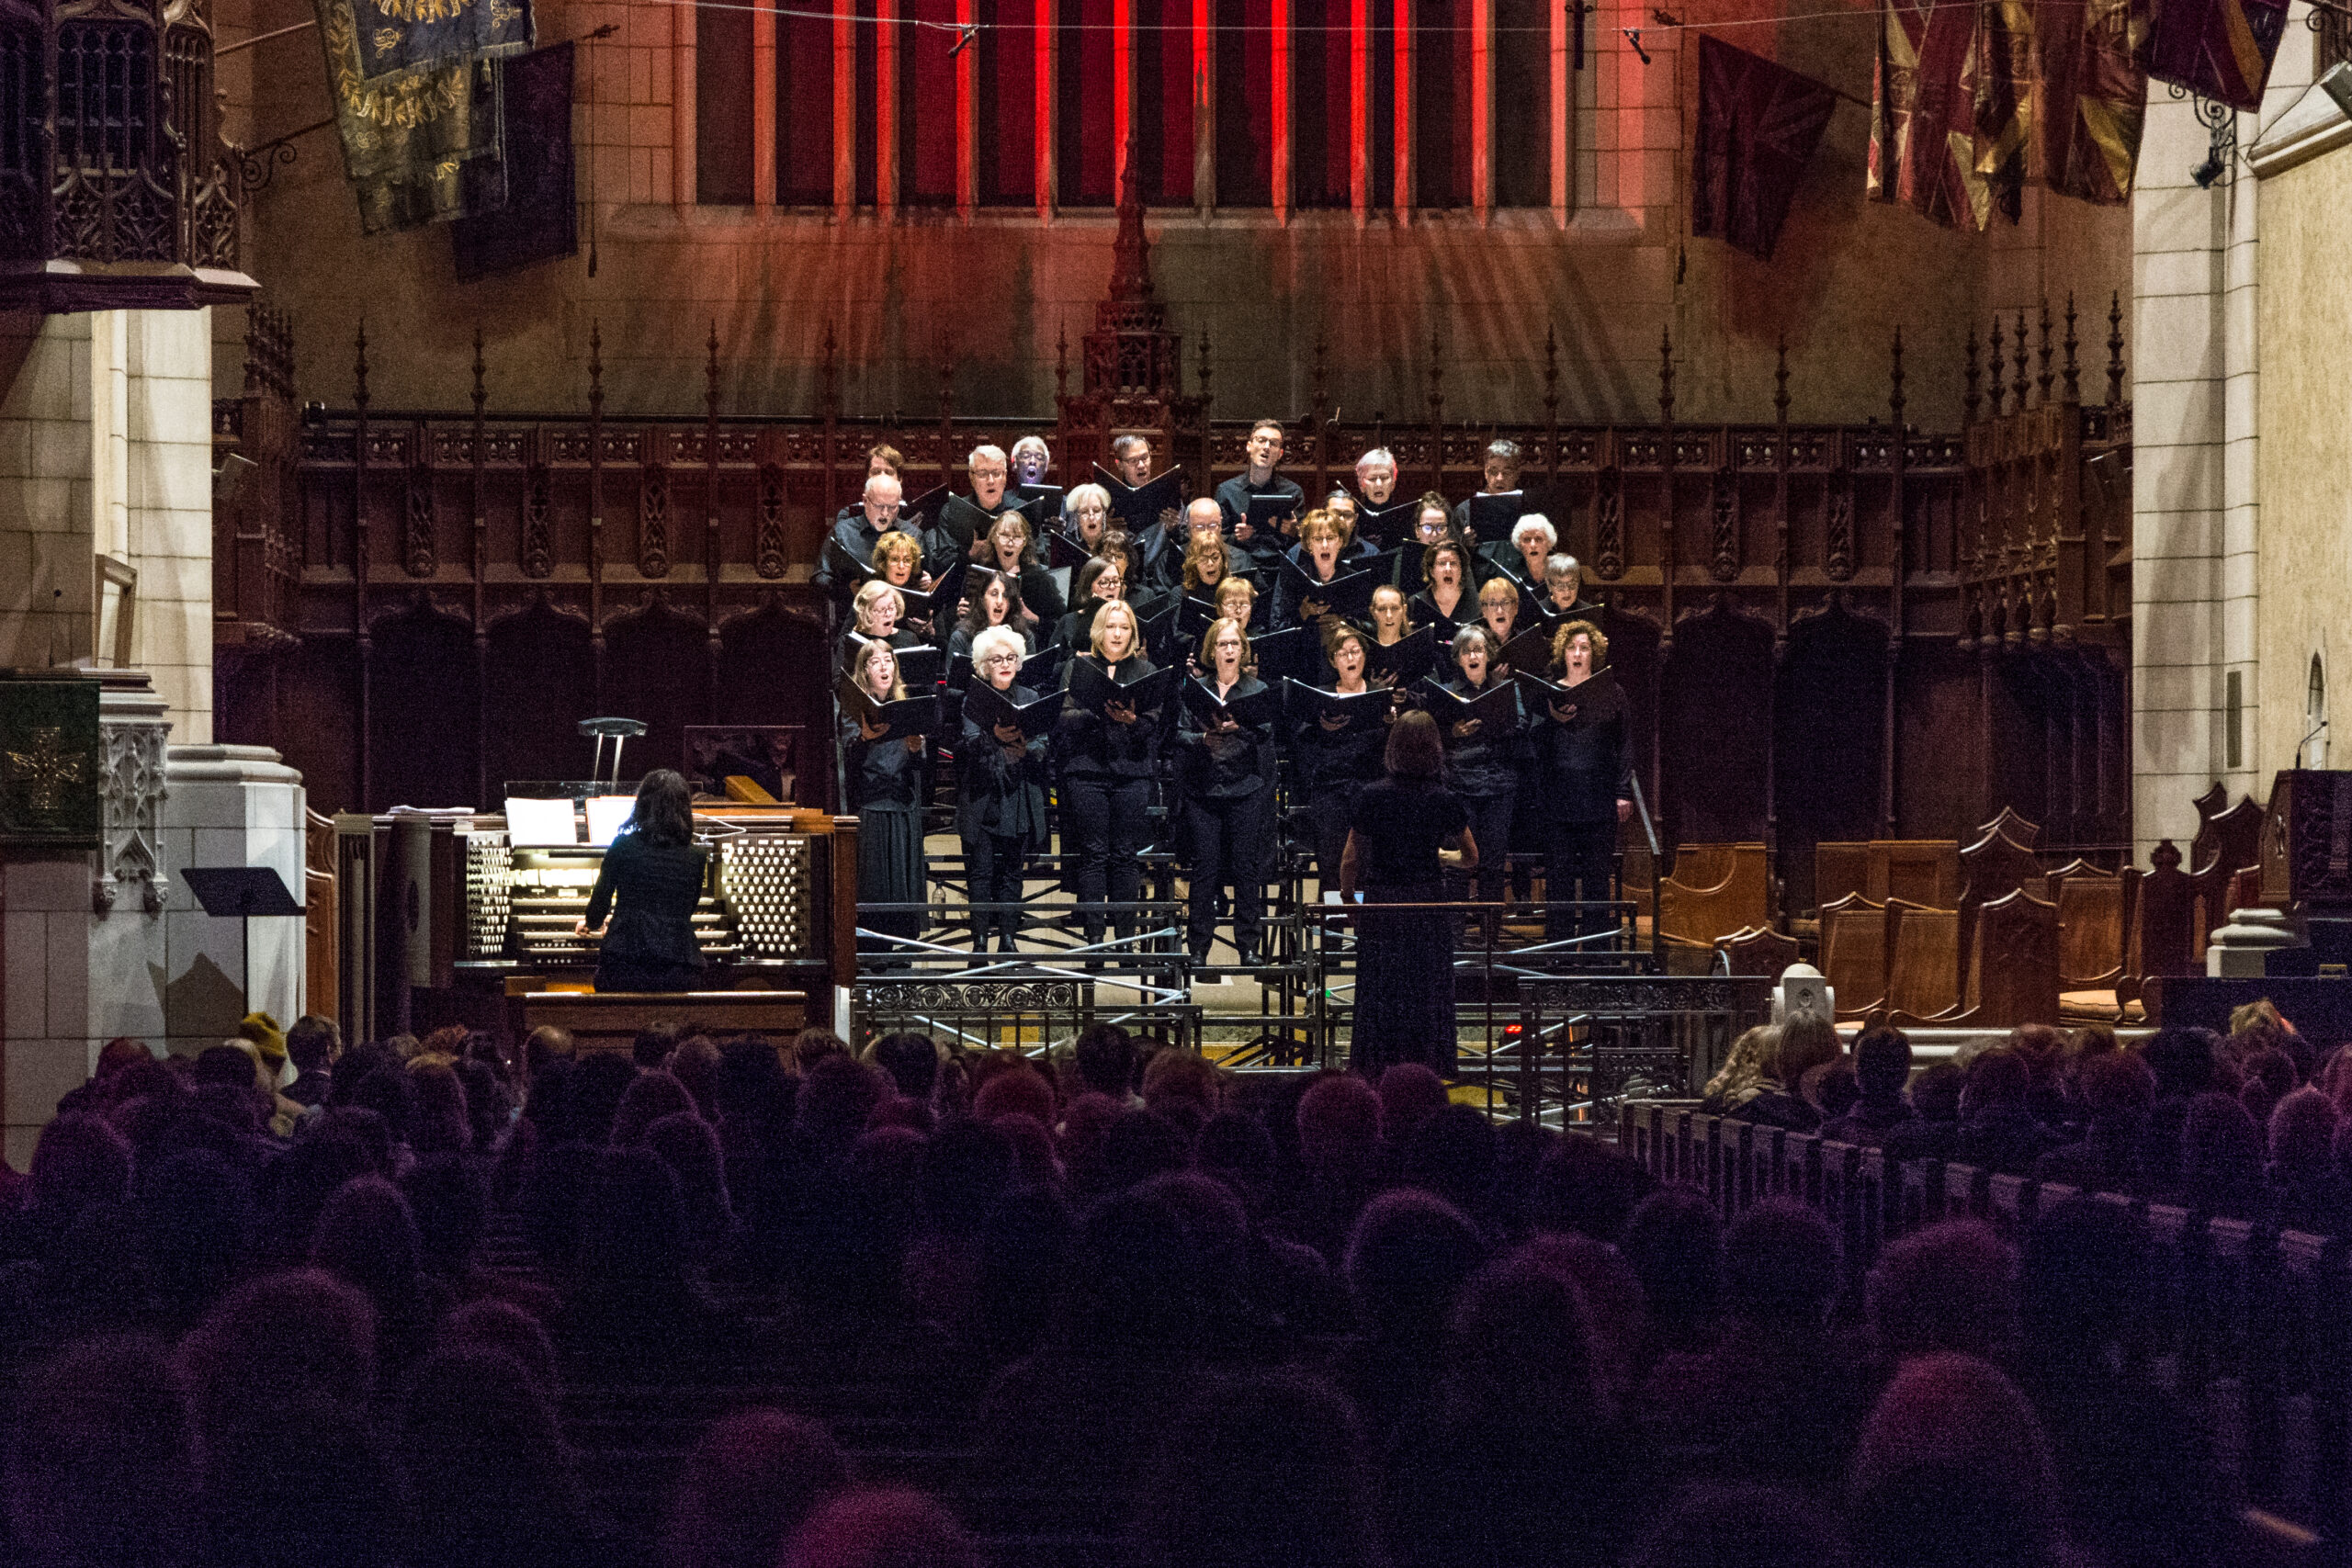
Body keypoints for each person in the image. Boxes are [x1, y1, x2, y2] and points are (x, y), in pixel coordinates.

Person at [1051, 600, 1162, 953]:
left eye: (1124, 627)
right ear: (1099, 630)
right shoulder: (1079, 667)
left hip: (1132, 772)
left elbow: (1155, 723)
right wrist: (1098, 712)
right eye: (1111, 626)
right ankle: (1095, 940)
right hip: (1087, 770)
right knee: (1094, 854)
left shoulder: (1145, 669)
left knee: (1126, 855)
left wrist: (1131, 720)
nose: (1117, 633)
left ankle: (1125, 941)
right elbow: (1063, 717)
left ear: (1133, 633)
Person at [1175, 617, 1277, 967]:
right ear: (1212, 651)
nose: (1229, 649)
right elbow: (1179, 733)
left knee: (1246, 867)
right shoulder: (1195, 688)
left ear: (1243, 649)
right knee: (1205, 868)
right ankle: (1198, 948)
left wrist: (1240, 728)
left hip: (1244, 788)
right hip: (1203, 790)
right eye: (1222, 644)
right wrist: (1204, 738)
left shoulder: (1256, 688)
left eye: (1235, 644)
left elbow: (1265, 732)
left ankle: (1248, 946)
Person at [1528, 619, 1633, 943]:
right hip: (1558, 799)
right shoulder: (1548, 693)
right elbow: (1534, 744)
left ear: (1593, 653)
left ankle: (1597, 951)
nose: (1577, 653)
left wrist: (1623, 791)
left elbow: (1624, 744)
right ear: (1563, 653)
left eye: (1584, 648)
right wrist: (1552, 719)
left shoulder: (1613, 692)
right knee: (1558, 880)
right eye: (1572, 647)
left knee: (1596, 880)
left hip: (1598, 797)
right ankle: (1558, 950)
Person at [957, 626, 1049, 953]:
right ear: (984, 665)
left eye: (1011, 657)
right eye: (997, 659)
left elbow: (1042, 743)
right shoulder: (974, 698)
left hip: (1018, 793)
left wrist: (1025, 749)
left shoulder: (1030, 698)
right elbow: (969, 743)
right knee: (980, 872)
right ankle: (980, 942)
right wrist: (994, 737)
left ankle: (1008, 939)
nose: (1005, 664)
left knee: (1013, 870)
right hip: (984, 795)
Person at [576, 770, 710, 992]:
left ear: (642, 806)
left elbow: (598, 908)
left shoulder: (622, 846)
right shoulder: (696, 856)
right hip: (679, 969)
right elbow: (686, 911)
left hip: (625, 965)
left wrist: (595, 923)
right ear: (685, 809)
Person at [841, 640, 929, 963]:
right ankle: (874, 953)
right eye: (875, 661)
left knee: (902, 885)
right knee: (874, 884)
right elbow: (846, 763)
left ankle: (900, 951)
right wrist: (864, 738)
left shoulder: (906, 706)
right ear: (864, 670)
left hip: (903, 806)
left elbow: (920, 768)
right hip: (872, 807)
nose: (883, 666)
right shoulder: (854, 709)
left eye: (888, 660)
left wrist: (917, 749)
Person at [1294, 622, 1396, 896]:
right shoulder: (1322, 694)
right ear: (1333, 660)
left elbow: (1393, 747)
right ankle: (1335, 923)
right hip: (1331, 789)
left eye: (1355, 651)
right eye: (1342, 653)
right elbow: (1304, 740)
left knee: (1370, 863)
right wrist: (1322, 726)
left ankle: (1368, 923)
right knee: (1332, 863)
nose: (1350, 657)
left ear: (1364, 654)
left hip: (1370, 788)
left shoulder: (1378, 693)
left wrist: (1390, 723)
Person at [1436, 626, 1522, 918]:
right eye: (1466, 651)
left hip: (1499, 786)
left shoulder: (1506, 687)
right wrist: (1454, 732)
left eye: (1478, 650)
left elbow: (1522, 723)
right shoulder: (1447, 692)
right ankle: (1455, 937)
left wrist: (1494, 722)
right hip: (1460, 786)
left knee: (1493, 866)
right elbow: (1435, 734)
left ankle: (1490, 937)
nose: (1473, 656)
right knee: (1459, 864)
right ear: (1458, 658)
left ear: (1488, 655)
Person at [1216, 418, 1306, 573]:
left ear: (1280, 454)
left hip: (1281, 571)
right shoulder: (1226, 491)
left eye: (1273, 443)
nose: (1266, 447)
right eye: (1261, 440)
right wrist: (1237, 537)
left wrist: (1294, 531)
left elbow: (1306, 540)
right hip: (1241, 571)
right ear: (1249, 446)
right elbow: (1217, 539)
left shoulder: (1293, 492)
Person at [980, 509, 1067, 625]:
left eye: (1017, 537)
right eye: (1004, 536)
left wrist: (1034, 618)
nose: (1010, 543)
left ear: (1024, 542)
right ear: (993, 538)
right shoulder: (981, 572)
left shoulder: (1040, 579)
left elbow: (1061, 623)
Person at [1273, 509, 1352, 631]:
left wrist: (1345, 623)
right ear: (1309, 544)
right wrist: (1302, 613)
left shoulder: (1352, 578)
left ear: (1340, 542)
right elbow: (1278, 628)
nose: (1325, 545)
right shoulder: (1294, 579)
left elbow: (1367, 625)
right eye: (1318, 539)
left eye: (1330, 538)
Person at [946, 568, 1035, 670]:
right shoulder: (961, 637)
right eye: (994, 594)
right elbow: (953, 679)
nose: (1000, 601)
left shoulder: (1025, 637)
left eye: (1005, 595)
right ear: (982, 599)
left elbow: (1031, 678)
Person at [1452, 436, 1524, 542]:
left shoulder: (1530, 509)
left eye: (1506, 472)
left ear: (1517, 474)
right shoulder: (1464, 511)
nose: (1499, 478)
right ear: (1485, 472)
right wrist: (1464, 544)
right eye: (1493, 472)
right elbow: (1451, 548)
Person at [838, 581, 919, 670]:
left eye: (891, 608)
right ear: (866, 613)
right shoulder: (851, 641)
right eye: (881, 610)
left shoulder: (910, 638)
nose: (888, 614)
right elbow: (839, 677)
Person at [1411, 537, 1476, 646]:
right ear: (1432, 571)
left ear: (1462, 569)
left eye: (1453, 563)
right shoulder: (1415, 603)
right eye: (1442, 563)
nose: (1448, 569)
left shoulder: (1477, 603)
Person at [1053, 556, 1125, 650]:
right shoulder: (1068, 621)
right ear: (1089, 586)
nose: (1112, 587)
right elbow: (1054, 659)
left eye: (1116, 581)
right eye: (1104, 582)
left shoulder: (1128, 619)